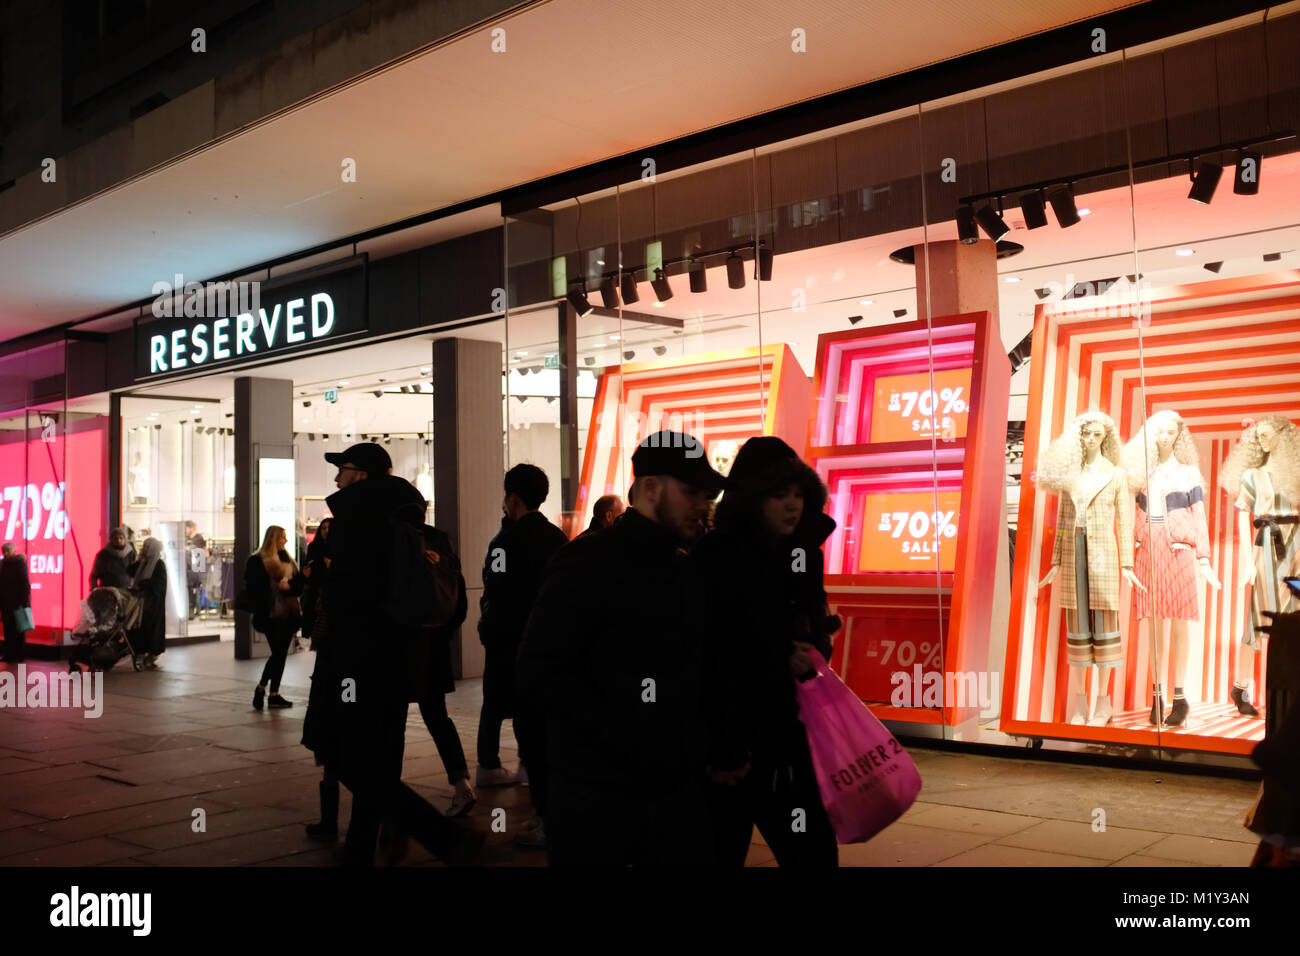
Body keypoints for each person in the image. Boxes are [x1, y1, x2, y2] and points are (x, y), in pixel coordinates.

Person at [517, 430, 727, 866]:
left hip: (671, 792)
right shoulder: (586, 561)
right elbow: (542, 671)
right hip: (598, 797)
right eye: (691, 491)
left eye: (707, 494)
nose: (703, 504)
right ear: (650, 488)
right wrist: (618, 742)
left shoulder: (685, 567)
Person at [301, 442, 480, 866]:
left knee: (333, 747)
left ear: (361, 474)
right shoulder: (417, 525)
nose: (336, 478)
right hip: (404, 665)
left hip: (355, 663)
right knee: (380, 755)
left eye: (341, 469)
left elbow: (348, 597)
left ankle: (439, 835)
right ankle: (362, 845)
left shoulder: (357, 521)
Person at [691, 436, 840, 867]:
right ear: (753, 498)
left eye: (798, 494)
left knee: (811, 851)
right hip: (732, 745)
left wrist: (815, 648)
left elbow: (814, 625)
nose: (792, 505)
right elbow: (710, 657)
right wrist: (723, 748)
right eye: (779, 495)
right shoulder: (716, 556)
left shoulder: (803, 553)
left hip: (790, 739)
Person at [476, 463, 569, 847]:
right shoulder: (557, 539)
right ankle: (545, 811)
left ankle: (548, 818)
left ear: (512, 497)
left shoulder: (504, 543)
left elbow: (494, 590)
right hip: (546, 647)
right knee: (542, 732)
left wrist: (487, 629)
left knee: (525, 730)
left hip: (508, 646)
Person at [416, 522, 477, 817]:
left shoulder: (390, 537)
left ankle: (387, 802)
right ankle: (461, 783)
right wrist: (442, 633)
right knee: (437, 716)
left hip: (398, 645)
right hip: (434, 645)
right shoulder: (439, 539)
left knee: (388, 723)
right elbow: (460, 601)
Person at [245, 525, 305, 710]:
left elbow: (298, 586)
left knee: (280, 654)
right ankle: (263, 688)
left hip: (289, 614)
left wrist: (291, 586)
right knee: (278, 653)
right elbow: (252, 587)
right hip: (270, 614)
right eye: (282, 538)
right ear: (273, 539)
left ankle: (273, 693)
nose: (285, 541)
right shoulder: (258, 561)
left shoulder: (289, 560)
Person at [127, 538, 167, 669]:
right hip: (140, 604)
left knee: (151, 631)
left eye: (146, 547)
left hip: (152, 605)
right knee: (140, 629)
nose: (143, 549)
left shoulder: (158, 564)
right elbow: (129, 570)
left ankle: (150, 656)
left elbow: (159, 584)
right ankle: (140, 654)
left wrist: (143, 584)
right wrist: (139, 559)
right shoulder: (143, 562)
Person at [301, 518, 332, 644]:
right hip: (317, 594)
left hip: (332, 593)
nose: (326, 531)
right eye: (323, 528)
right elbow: (310, 568)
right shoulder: (314, 547)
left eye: (329, 528)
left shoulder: (338, 547)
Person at [1, 543, 33, 663]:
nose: (4, 553)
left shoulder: (19, 563)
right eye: (3, 551)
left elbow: (25, 584)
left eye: (6, 551)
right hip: (7, 602)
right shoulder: (4, 564)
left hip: (17, 602)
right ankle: (10, 654)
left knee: (18, 630)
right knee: (9, 630)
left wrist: (24, 602)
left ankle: (18, 654)